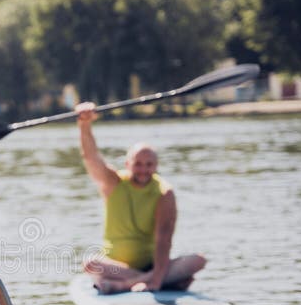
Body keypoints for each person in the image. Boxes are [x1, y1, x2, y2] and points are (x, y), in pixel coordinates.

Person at [76, 101, 206, 293]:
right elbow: (91, 158)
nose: (143, 170)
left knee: (198, 260)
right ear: (127, 164)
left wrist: (155, 278)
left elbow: (164, 239)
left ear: (156, 165)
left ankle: (126, 285)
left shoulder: (164, 192)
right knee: (91, 263)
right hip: (115, 267)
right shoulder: (114, 183)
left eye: (149, 164)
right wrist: (84, 125)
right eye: (138, 164)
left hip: (151, 266)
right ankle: (160, 282)